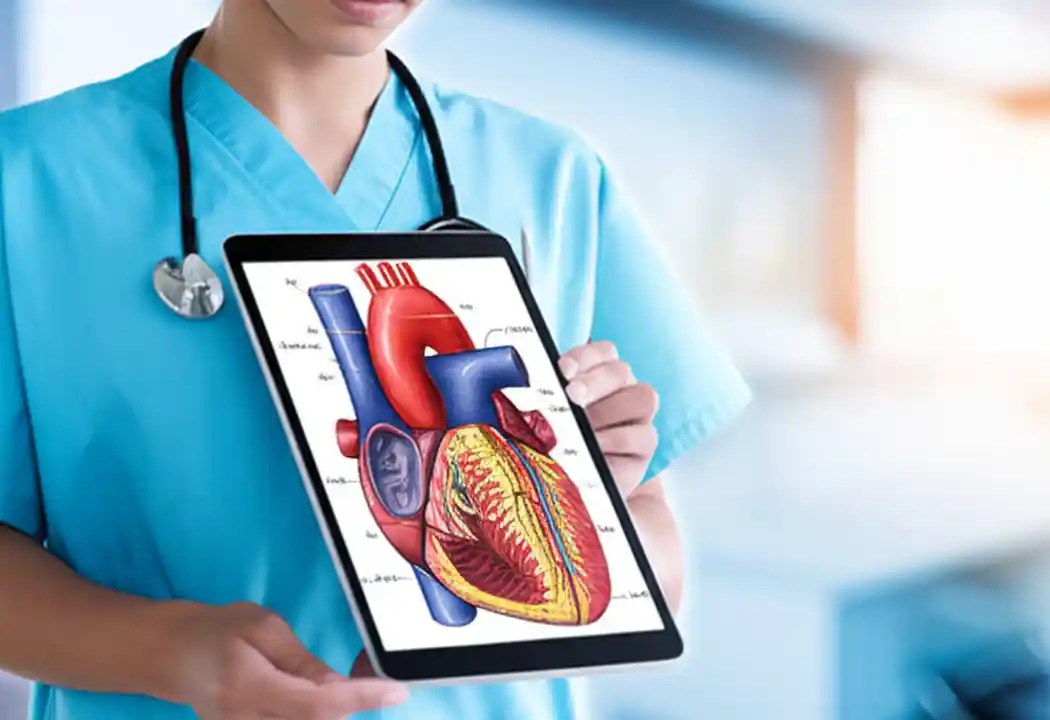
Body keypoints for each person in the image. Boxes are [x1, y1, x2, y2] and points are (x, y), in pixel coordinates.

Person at [0, 1, 750, 718]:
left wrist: (588, 500)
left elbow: (654, 564)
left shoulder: (550, 176)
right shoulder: (29, 178)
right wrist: (167, 654)